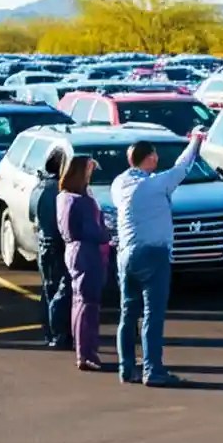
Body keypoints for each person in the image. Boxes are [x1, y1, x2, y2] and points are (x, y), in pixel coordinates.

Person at [112, 133, 205, 387]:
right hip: (153, 254)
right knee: (153, 314)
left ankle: (126, 367)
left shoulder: (119, 184)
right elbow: (182, 167)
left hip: (126, 254)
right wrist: (195, 142)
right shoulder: (156, 184)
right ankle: (152, 369)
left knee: (128, 313)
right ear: (150, 157)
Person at [56, 155, 108, 371]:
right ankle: (86, 354)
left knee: (81, 303)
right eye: (88, 170)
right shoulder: (79, 201)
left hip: (76, 251)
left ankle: (84, 351)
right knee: (88, 305)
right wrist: (106, 234)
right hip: (86, 253)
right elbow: (90, 230)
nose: (91, 173)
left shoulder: (65, 197)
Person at [31, 149, 72, 350]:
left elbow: (34, 218)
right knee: (61, 290)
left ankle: (49, 332)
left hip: (43, 244)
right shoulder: (58, 190)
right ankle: (59, 333)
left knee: (48, 289)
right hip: (57, 244)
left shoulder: (39, 186)